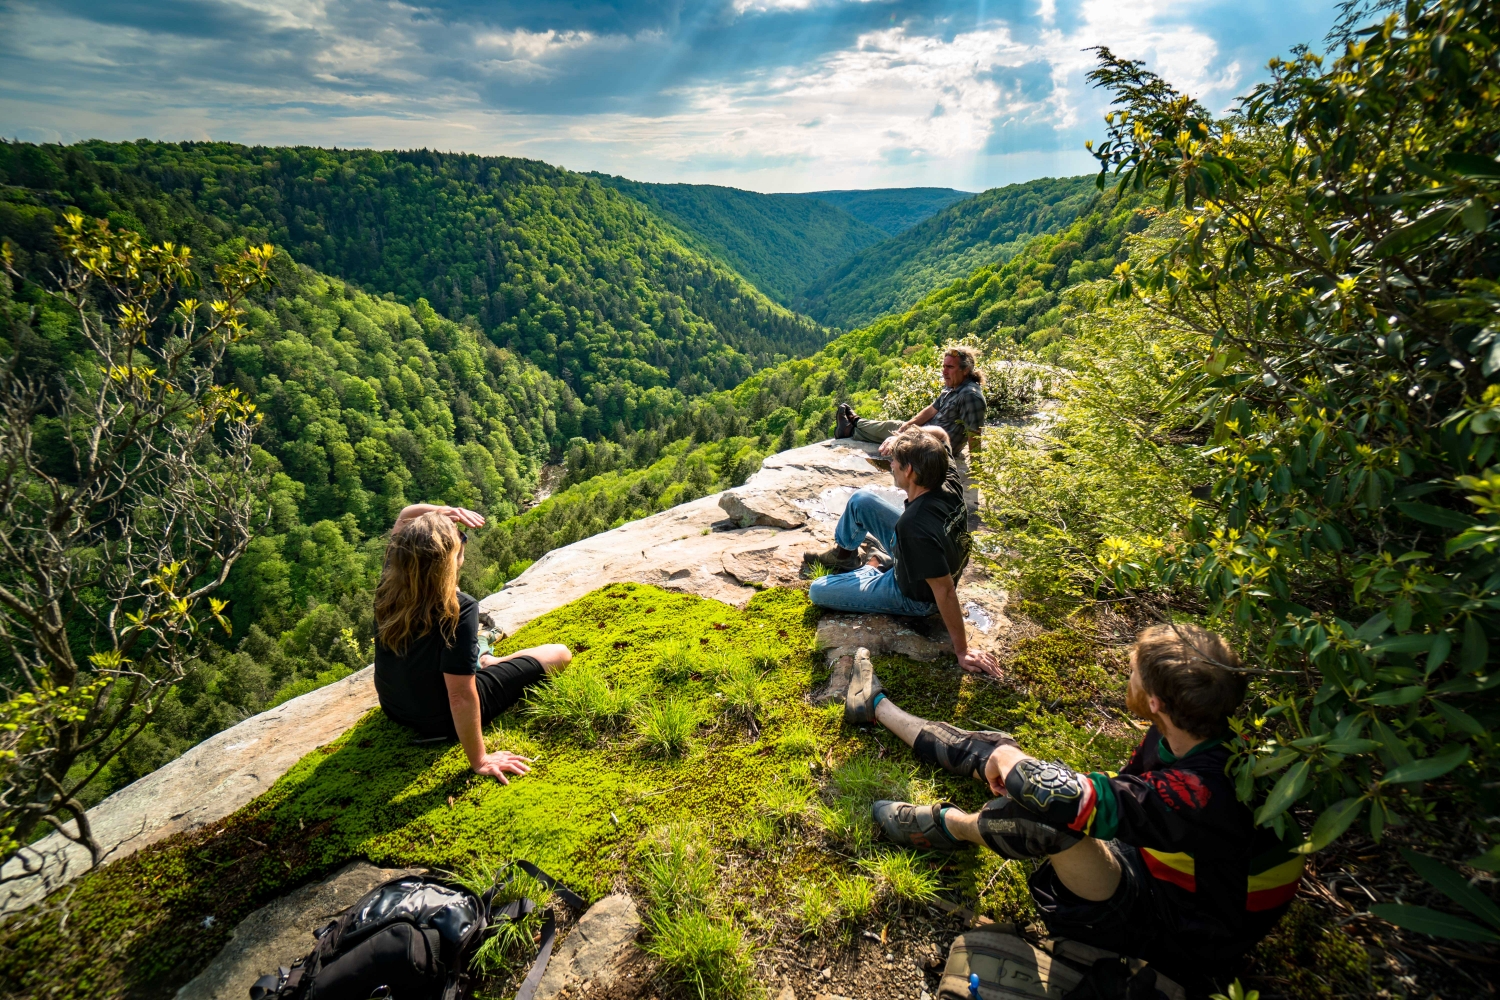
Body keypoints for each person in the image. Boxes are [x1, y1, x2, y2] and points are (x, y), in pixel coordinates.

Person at [845, 624, 1303, 992]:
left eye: (1133, 673)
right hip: (1157, 867)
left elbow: (1059, 797)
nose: (1127, 676)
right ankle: (877, 707)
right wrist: (1006, 757)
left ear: (1156, 701)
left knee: (1043, 814)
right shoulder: (1200, 732)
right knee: (1005, 755)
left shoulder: (1205, 792)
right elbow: (1121, 796)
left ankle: (948, 826)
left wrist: (1015, 765)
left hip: (1180, 931)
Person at [372, 503, 572, 783]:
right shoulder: (459, 608)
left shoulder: (389, 582)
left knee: (469, 654)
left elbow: (406, 514)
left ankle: (483, 660)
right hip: (441, 718)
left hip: (395, 707)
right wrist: (480, 760)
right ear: (451, 560)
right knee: (559, 654)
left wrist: (443, 511)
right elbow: (460, 696)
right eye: (461, 540)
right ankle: (487, 662)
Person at [804, 428, 999, 677]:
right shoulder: (947, 479)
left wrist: (962, 650)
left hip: (913, 595)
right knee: (860, 501)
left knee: (818, 590)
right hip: (918, 555)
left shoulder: (913, 527)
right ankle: (845, 557)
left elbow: (945, 591)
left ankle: (874, 566)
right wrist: (903, 438)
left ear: (909, 471)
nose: (891, 464)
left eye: (895, 460)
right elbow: (941, 435)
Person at [835, 345, 986, 509]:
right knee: (894, 426)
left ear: (965, 370)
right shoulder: (952, 387)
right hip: (926, 432)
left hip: (935, 444)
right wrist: (907, 426)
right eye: (944, 366)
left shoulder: (970, 396)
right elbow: (931, 410)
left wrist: (976, 469)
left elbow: (974, 433)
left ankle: (853, 426)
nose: (944, 371)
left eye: (950, 367)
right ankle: (853, 427)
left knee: (892, 433)